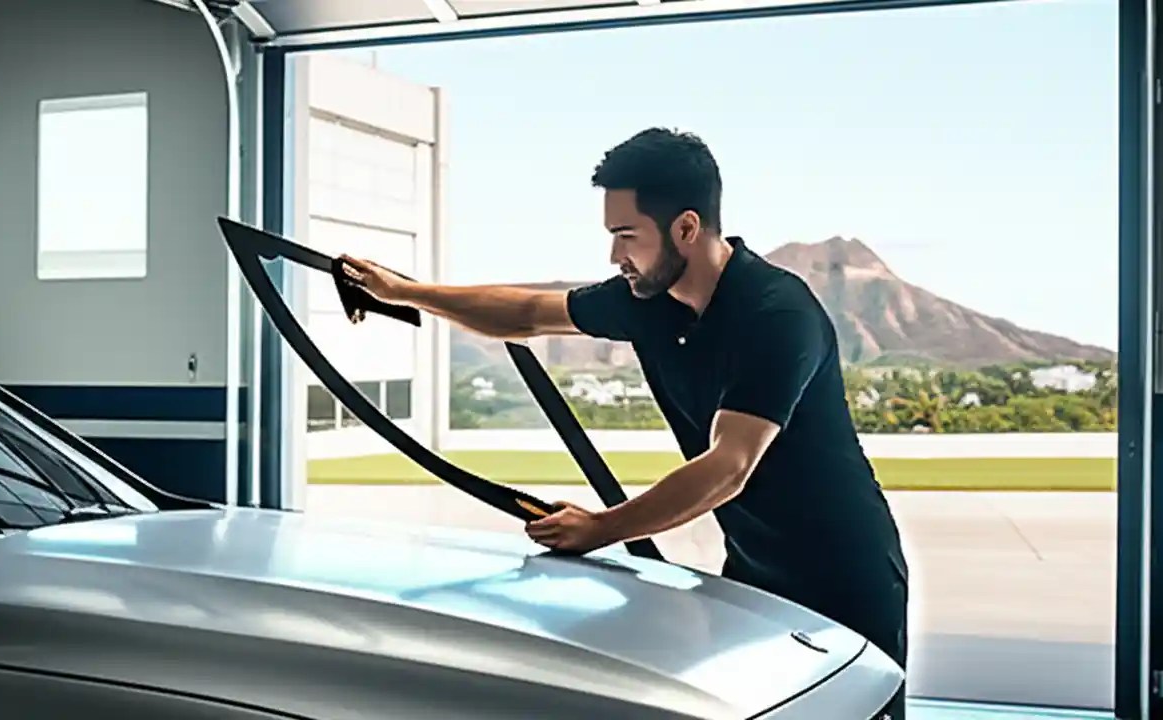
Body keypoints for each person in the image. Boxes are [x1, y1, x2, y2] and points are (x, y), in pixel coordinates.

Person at [337, 127, 910, 718]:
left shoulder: (777, 312)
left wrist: (601, 528)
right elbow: (527, 313)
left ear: (686, 228)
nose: (615, 257)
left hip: (847, 578)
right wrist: (407, 293)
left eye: (626, 236)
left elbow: (728, 467)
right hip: (753, 568)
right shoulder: (647, 303)